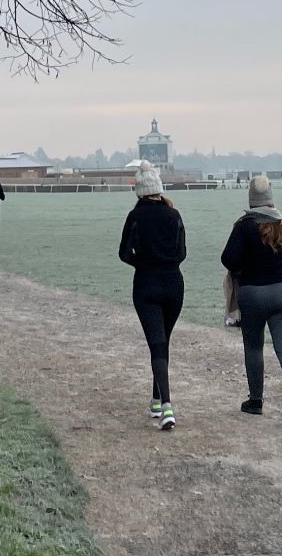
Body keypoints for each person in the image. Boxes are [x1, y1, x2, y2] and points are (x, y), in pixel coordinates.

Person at [222, 173, 282, 427]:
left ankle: (256, 401)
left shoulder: (244, 226)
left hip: (253, 294)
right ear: (271, 199)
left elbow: (228, 259)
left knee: (254, 347)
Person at [118, 160, 185, 431]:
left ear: (139, 191)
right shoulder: (174, 215)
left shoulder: (135, 216)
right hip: (173, 285)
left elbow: (124, 253)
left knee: (156, 344)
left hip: (146, 285)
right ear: (159, 188)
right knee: (163, 341)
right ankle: (157, 399)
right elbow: (182, 253)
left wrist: (142, 263)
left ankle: (166, 406)